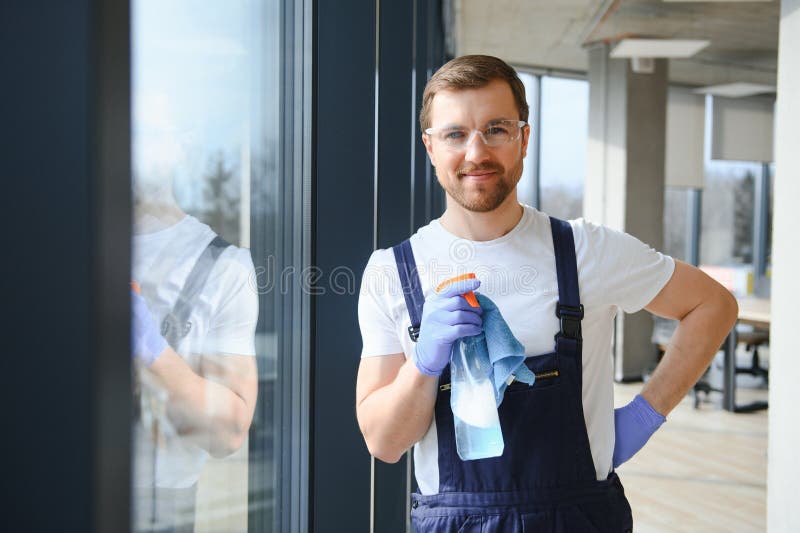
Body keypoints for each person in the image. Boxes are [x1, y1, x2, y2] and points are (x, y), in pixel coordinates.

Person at [355, 55, 737, 532]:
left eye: (496, 129)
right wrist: (423, 366)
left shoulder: (586, 249)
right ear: (430, 148)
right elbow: (384, 443)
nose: (476, 152)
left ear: (524, 138)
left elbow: (713, 304)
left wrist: (644, 414)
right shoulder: (392, 273)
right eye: (455, 134)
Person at [130, 124, 259, 532]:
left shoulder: (223, 268)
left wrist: (150, 350)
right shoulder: (44, 239)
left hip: (159, 509)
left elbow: (229, 433)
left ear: (181, 145)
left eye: (149, 131)